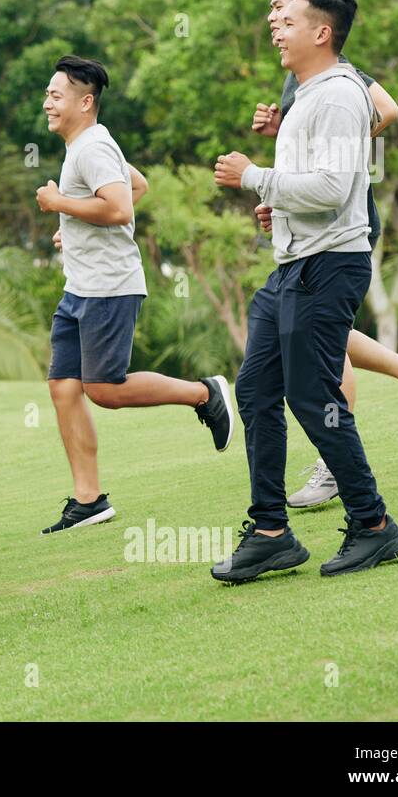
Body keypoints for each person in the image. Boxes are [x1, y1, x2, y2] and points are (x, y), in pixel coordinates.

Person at [213, 0, 398, 582]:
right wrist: (277, 204)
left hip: (329, 266)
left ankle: (375, 526)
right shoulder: (307, 96)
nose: (274, 26)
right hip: (295, 267)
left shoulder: (336, 96)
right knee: (254, 390)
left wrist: (255, 177)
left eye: (287, 19)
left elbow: (331, 191)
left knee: (312, 395)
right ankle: (271, 533)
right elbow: (320, 187)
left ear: (322, 32)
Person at [252, 0, 398, 509]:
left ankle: (334, 464)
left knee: (322, 353)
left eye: (280, 6)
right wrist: (283, 131)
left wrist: (339, 152)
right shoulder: (296, 71)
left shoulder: (337, 70)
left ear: (311, 14)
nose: (272, 16)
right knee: (325, 339)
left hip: (339, 218)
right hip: (311, 218)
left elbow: (384, 111)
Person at [36, 55, 236, 536]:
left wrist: (60, 204)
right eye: (47, 93)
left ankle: (203, 392)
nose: (47, 102)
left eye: (56, 95)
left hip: (108, 287)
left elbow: (122, 206)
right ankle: (88, 500)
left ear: (85, 103)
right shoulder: (85, 145)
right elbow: (138, 185)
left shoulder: (92, 148)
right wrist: (76, 226)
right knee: (64, 387)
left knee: (104, 390)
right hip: (79, 287)